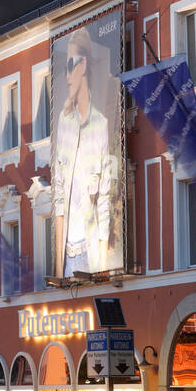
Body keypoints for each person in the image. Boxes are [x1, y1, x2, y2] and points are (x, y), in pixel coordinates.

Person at [52, 28, 117, 278]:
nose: (68, 75)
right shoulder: (64, 121)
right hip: (67, 254)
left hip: (90, 255)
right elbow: (58, 196)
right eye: (66, 67)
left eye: (71, 65)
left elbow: (104, 199)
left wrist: (101, 266)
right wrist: (58, 268)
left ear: (83, 65)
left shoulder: (100, 125)